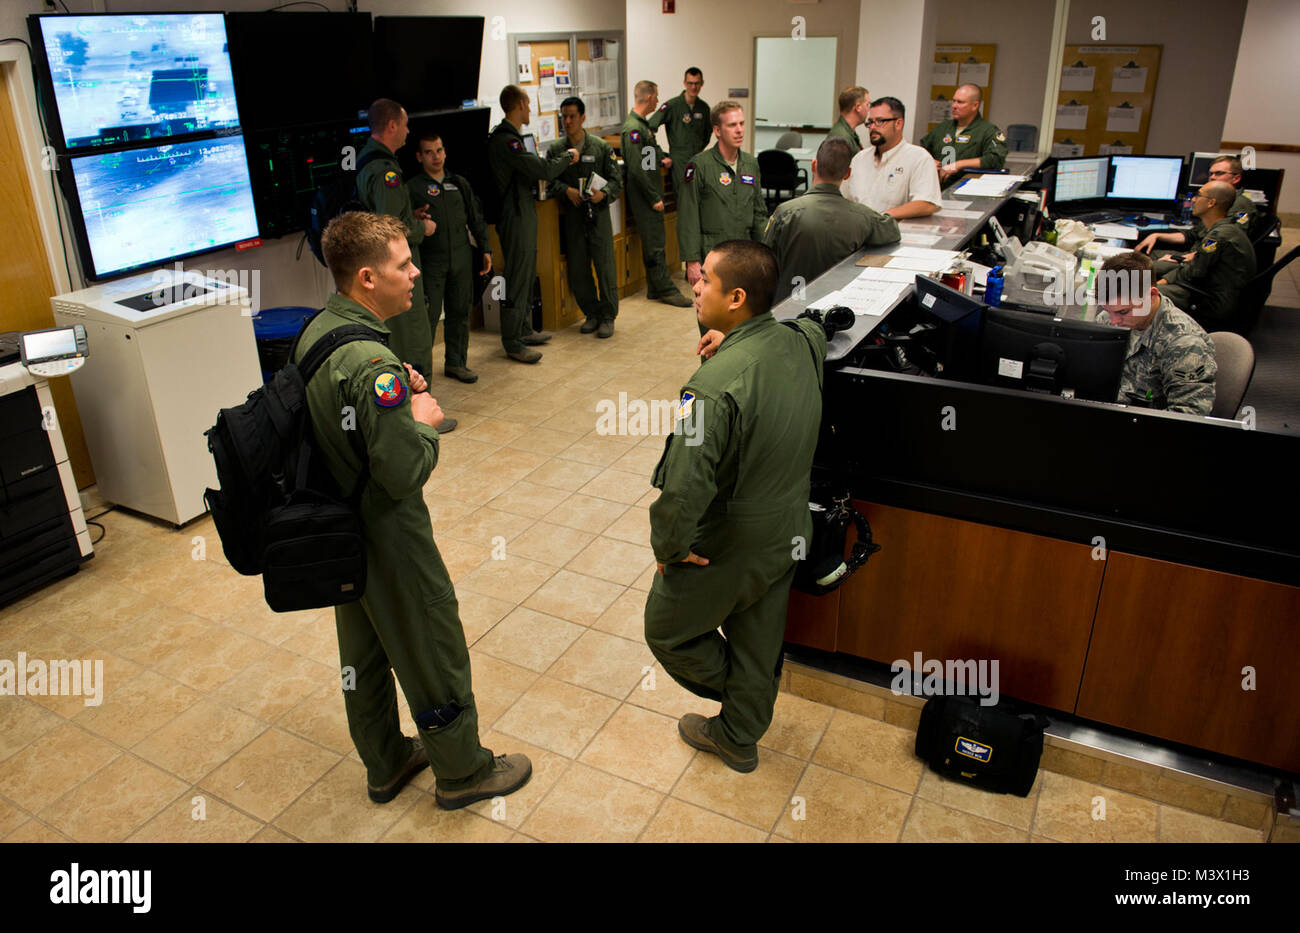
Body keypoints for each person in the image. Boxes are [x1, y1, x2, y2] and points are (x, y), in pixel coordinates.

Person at [299, 212, 532, 810]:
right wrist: (423, 424)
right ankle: (463, 771)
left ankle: (386, 761)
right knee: (430, 641)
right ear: (368, 279)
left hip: (337, 526)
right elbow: (401, 471)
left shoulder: (320, 330)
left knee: (365, 652)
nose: (414, 273)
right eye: (403, 264)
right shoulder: (372, 365)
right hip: (387, 531)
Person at [643, 240, 827, 774]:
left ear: (738, 296)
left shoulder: (711, 388)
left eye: (707, 280)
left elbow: (683, 486)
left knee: (667, 629)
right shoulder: (798, 342)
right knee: (757, 631)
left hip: (734, 541)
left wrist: (670, 547)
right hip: (789, 529)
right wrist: (739, 339)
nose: (695, 286)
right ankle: (739, 735)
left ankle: (746, 702)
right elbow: (812, 327)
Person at [487, 85, 579, 363]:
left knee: (527, 273)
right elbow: (542, 170)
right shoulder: (507, 141)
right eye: (527, 105)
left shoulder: (513, 138)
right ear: (519, 105)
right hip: (513, 216)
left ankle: (524, 329)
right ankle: (513, 341)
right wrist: (567, 157)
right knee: (517, 275)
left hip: (523, 211)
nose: (529, 110)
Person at [763, 137, 900, 304]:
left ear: (814, 165)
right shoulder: (863, 217)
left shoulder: (785, 213)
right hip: (834, 304)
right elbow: (891, 230)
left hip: (788, 302)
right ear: (848, 174)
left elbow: (765, 261)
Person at [407, 132, 492, 395]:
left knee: (459, 312)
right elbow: (405, 223)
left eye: (440, 150)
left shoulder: (459, 183)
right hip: (431, 263)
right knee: (429, 319)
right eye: (430, 152)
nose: (436, 157)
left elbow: (475, 217)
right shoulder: (412, 187)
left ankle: (456, 362)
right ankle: (420, 376)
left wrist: (485, 248)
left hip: (461, 259)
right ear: (420, 157)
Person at [356, 98, 435, 378]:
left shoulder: (371, 160)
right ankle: (419, 412)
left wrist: (408, 213)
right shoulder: (385, 170)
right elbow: (388, 227)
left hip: (383, 267)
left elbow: (386, 210)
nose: (408, 131)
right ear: (392, 125)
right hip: (393, 267)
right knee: (414, 338)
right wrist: (420, 228)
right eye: (405, 125)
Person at [1095, 250, 1217, 415]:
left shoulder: (1184, 344)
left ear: (1151, 296)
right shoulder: (1108, 318)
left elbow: (1190, 417)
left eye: (1123, 312)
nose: (1114, 321)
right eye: (1108, 310)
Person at [547, 96, 623, 338]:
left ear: (582, 118)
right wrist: (565, 190)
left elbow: (617, 180)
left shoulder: (600, 147)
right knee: (578, 269)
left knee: (605, 267)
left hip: (598, 215)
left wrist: (604, 194)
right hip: (573, 216)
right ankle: (591, 313)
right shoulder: (556, 150)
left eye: (571, 116)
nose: (567, 121)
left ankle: (608, 316)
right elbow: (549, 178)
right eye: (563, 117)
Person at [677, 101, 768, 300]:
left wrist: (766, 252)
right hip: (712, 257)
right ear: (717, 130)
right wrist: (692, 262)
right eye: (732, 125)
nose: (739, 130)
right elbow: (688, 215)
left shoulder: (751, 164)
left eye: (742, 124)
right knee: (712, 321)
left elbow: (759, 213)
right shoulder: (699, 166)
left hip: (745, 256)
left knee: (743, 322)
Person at [622, 80, 693, 308]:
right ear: (649, 97)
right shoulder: (633, 128)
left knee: (655, 241)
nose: (658, 100)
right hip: (645, 196)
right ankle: (665, 289)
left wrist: (662, 156)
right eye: (656, 96)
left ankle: (654, 287)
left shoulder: (642, 126)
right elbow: (636, 168)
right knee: (655, 243)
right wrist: (654, 197)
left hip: (651, 190)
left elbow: (647, 157)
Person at [1155, 180, 1257, 330]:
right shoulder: (1226, 227)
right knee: (1153, 272)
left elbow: (1194, 272)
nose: (1194, 199)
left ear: (1211, 203)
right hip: (1208, 286)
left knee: (1142, 294)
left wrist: (1160, 283)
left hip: (1210, 300)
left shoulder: (1217, 236)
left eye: (1199, 195)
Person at [1137, 154, 1260, 269]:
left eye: (1219, 173)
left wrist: (1180, 258)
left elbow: (1223, 246)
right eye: (1211, 173)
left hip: (1203, 263)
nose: (1212, 177)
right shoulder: (1215, 201)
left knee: (1137, 269)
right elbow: (1193, 235)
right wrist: (1156, 235)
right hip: (1194, 254)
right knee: (1138, 256)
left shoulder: (1241, 205)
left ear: (1236, 178)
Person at [842, 97, 942, 219]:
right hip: (857, 231)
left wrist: (881, 218)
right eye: (870, 122)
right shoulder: (860, 159)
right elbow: (843, 198)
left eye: (880, 121)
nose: (873, 127)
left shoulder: (919, 158)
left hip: (892, 233)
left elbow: (926, 204)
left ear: (898, 123)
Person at [919, 83, 1007, 182]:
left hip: (967, 188)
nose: (954, 106)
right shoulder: (942, 128)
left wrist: (958, 165)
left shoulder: (988, 131)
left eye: (960, 102)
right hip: (936, 188)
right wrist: (929, 160)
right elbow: (921, 150)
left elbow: (995, 159)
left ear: (975, 105)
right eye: (953, 101)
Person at [649, 67, 711, 202]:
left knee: (699, 199)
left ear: (702, 84)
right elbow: (648, 128)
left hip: (698, 159)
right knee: (683, 200)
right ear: (684, 83)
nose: (693, 87)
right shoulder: (672, 105)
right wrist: (660, 155)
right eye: (690, 83)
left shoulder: (704, 108)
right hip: (679, 161)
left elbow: (708, 133)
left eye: (697, 83)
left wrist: (699, 148)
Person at [826, 86, 869, 154]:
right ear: (858, 107)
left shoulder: (848, 132)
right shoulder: (841, 139)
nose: (868, 109)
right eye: (867, 105)